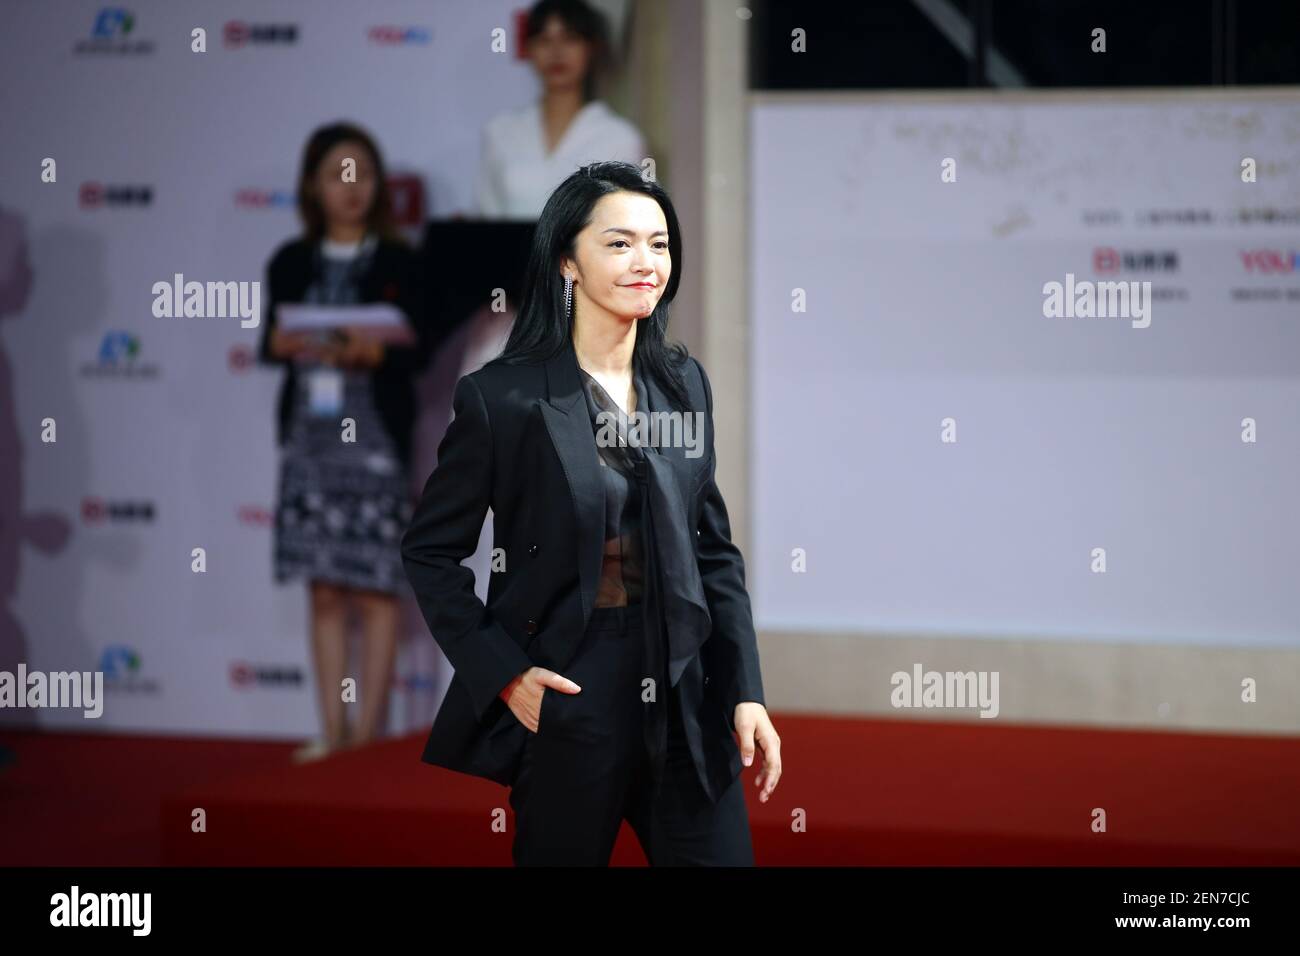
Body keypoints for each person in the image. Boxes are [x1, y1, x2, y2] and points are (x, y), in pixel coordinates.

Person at [401, 161, 782, 866]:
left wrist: (745, 692)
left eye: (660, 243)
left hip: (684, 688)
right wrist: (505, 673)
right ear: (567, 262)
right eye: (620, 243)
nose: (647, 262)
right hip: (573, 689)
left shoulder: (682, 381)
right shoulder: (503, 398)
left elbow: (712, 550)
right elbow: (429, 553)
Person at [259, 123, 436, 762]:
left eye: (362, 171)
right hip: (311, 440)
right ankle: (330, 734)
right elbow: (268, 341)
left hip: (374, 440)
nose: (351, 187)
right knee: (325, 588)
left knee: (373, 586)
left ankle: (366, 743)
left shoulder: (400, 262)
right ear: (313, 185)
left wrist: (375, 351)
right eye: (337, 173)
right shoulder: (289, 261)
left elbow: (416, 350)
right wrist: (284, 342)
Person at [475, 0, 647, 220]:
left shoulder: (620, 138)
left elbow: (635, 223)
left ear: (591, 48)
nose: (556, 52)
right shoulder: (500, 132)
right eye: (544, 40)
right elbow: (485, 219)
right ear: (528, 49)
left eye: (570, 39)